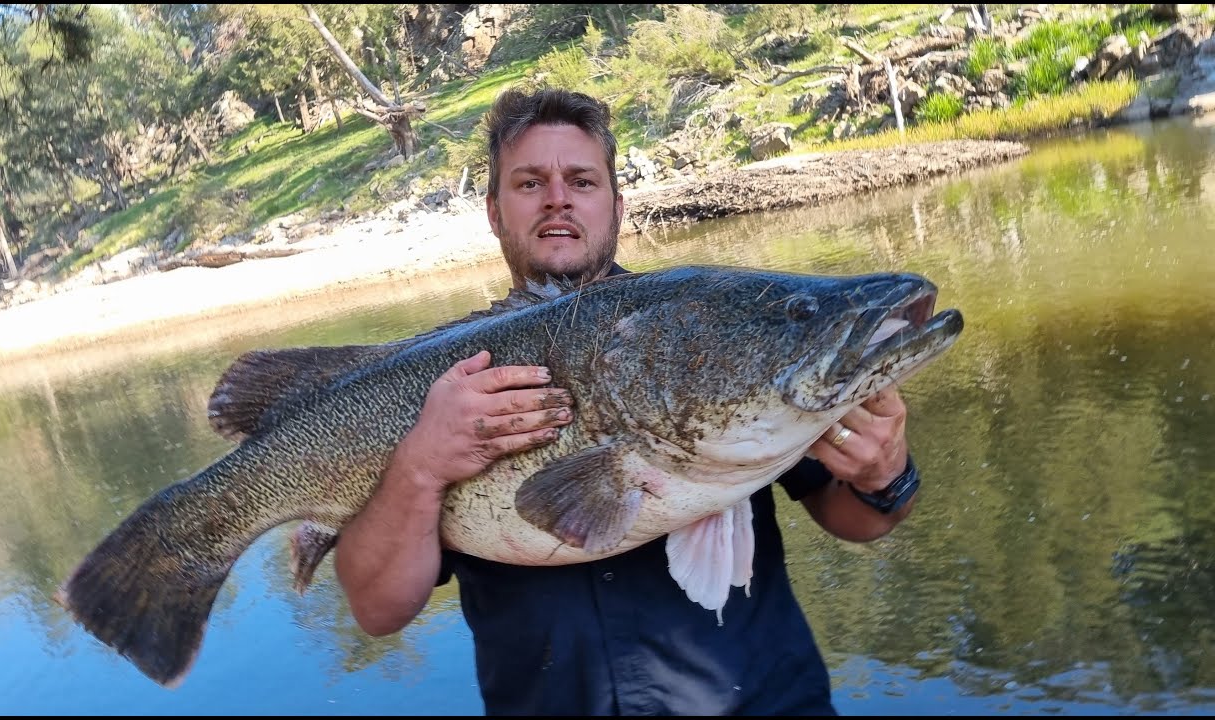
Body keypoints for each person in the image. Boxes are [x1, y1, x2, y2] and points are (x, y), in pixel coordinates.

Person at [332, 87, 922, 716]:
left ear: (616, 205)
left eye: (581, 180)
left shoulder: (706, 322)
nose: (558, 197)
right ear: (493, 212)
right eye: (530, 182)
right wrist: (419, 466)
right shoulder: (445, 387)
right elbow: (378, 610)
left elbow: (859, 520)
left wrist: (886, 475)